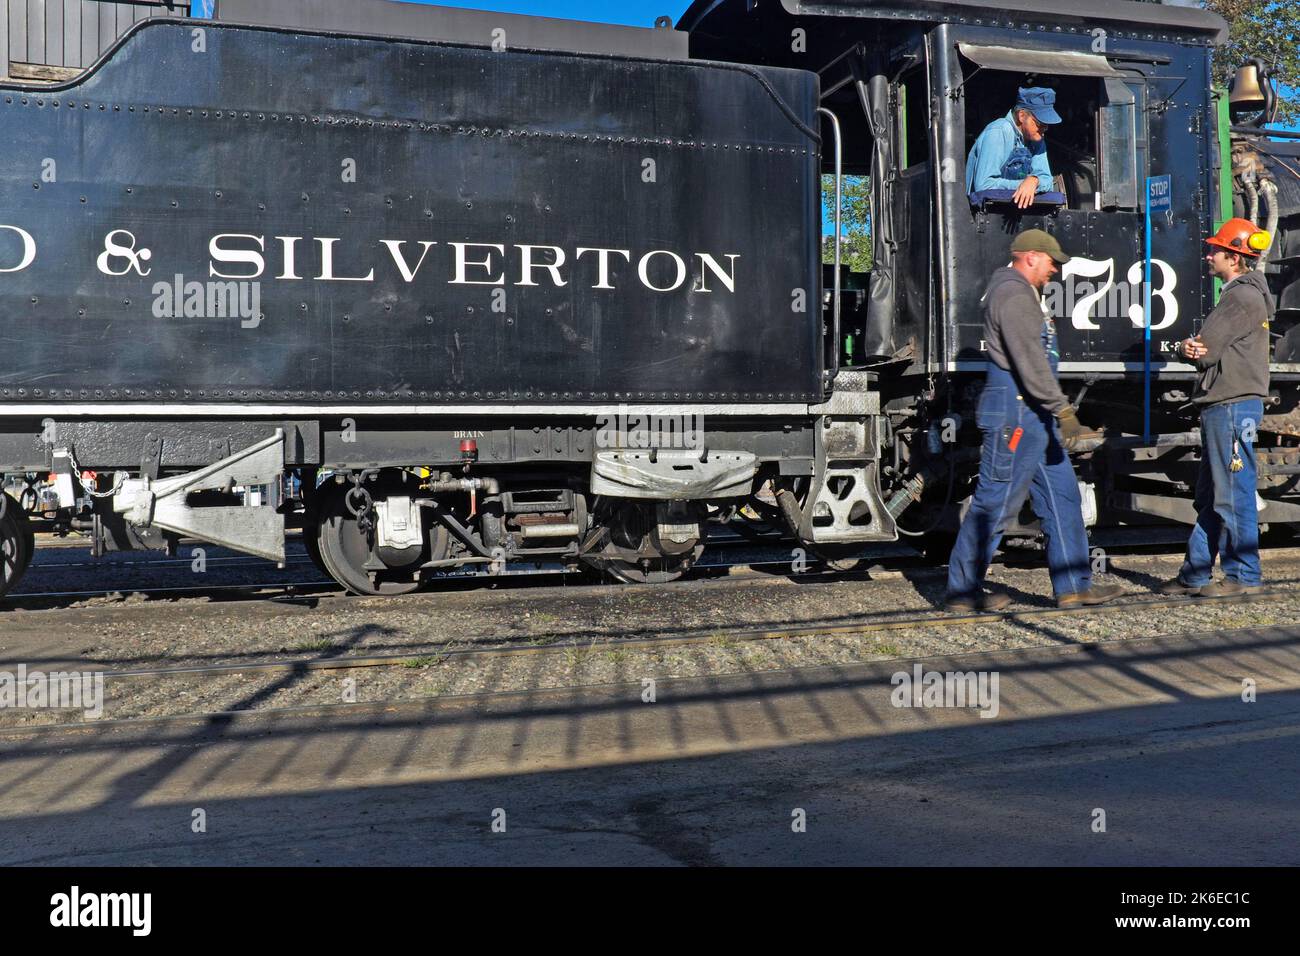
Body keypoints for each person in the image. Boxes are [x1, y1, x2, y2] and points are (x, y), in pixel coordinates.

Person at [945, 229, 1123, 612]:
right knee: (997, 500)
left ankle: (1074, 585)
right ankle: (962, 591)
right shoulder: (1012, 293)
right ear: (1030, 257)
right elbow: (1030, 361)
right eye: (1052, 262)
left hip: (1032, 413)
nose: (1055, 270)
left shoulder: (1022, 293)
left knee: (1062, 496)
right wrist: (1063, 411)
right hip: (1017, 411)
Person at [1161, 218, 1275, 598]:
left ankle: (1243, 575)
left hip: (1229, 406)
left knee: (1232, 493)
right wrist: (1191, 347)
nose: (1209, 255)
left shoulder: (1239, 297)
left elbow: (1204, 351)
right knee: (1212, 496)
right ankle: (1194, 574)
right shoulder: (1245, 294)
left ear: (1234, 257)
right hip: (1229, 405)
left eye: (1216, 250)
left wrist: (1184, 348)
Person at [966, 87, 1060, 210]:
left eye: (1047, 125)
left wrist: (1034, 181)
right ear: (1022, 116)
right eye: (1040, 124)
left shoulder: (1037, 138)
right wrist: (1023, 185)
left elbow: (1047, 180)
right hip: (985, 215)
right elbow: (984, 185)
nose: (1044, 130)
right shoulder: (998, 132)